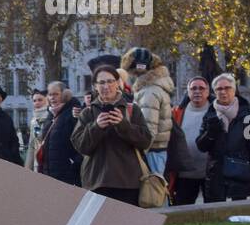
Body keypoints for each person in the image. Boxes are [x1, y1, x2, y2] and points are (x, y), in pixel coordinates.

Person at [70, 64, 152, 204]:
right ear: (95, 86)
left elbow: (145, 141)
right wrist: (96, 127)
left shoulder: (132, 110)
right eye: (101, 82)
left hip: (128, 182)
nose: (106, 86)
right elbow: (80, 146)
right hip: (97, 183)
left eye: (110, 81)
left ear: (117, 83)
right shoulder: (87, 113)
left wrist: (123, 124)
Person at [196, 73, 250, 202]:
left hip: (239, 171)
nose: (223, 92)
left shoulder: (247, 115)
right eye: (219, 89)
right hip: (216, 172)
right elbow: (201, 146)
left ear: (234, 90)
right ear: (214, 92)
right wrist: (211, 133)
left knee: (239, 214)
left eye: (227, 88)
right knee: (216, 215)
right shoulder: (210, 115)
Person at [121, 47, 174, 176]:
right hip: (156, 149)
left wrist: (138, 154)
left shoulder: (149, 91)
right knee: (156, 189)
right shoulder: (154, 86)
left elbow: (149, 128)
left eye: (131, 71)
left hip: (151, 151)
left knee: (152, 191)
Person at [170, 76, 211, 205]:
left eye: (201, 88)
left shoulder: (217, 110)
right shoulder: (176, 112)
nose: (197, 91)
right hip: (184, 175)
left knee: (214, 213)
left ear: (208, 91)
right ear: (188, 92)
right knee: (182, 213)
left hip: (210, 175)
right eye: (193, 88)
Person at [40, 82, 83, 186]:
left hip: (68, 173)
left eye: (56, 94)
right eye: (50, 94)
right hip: (49, 171)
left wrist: (74, 163)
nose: (52, 98)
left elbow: (81, 140)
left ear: (65, 95)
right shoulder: (50, 114)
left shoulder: (74, 112)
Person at [24, 88, 51, 172]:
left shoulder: (52, 116)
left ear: (47, 100)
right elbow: (32, 145)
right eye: (34, 100)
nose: (37, 103)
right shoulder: (34, 121)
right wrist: (28, 168)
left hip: (50, 162)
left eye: (40, 100)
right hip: (37, 163)